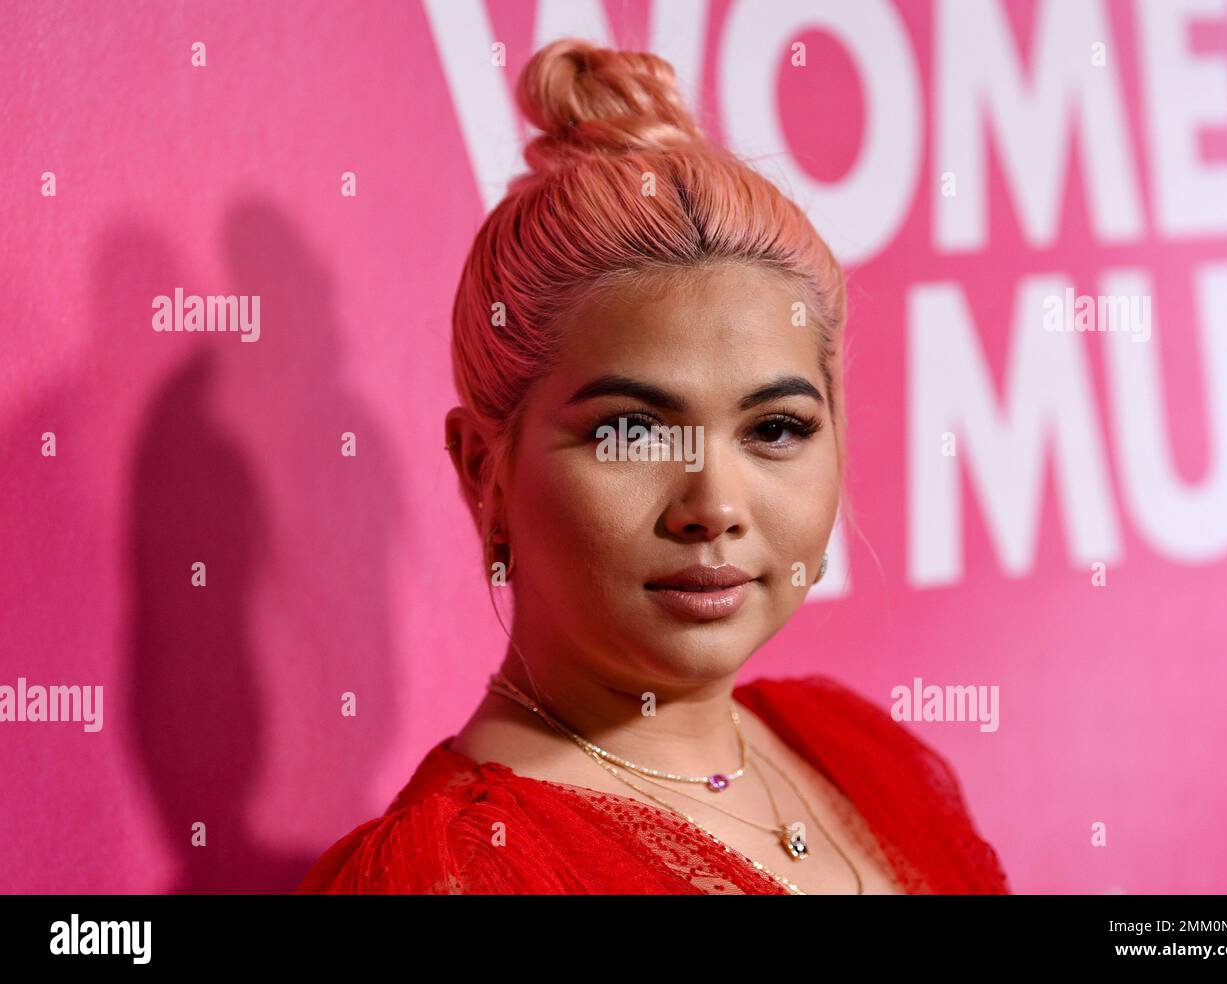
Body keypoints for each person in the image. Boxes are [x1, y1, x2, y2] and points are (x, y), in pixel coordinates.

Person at [297, 37, 1010, 895]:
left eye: (777, 428)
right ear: (484, 469)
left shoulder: (861, 759)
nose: (713, 505)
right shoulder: (454, 878)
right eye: (632, 432)